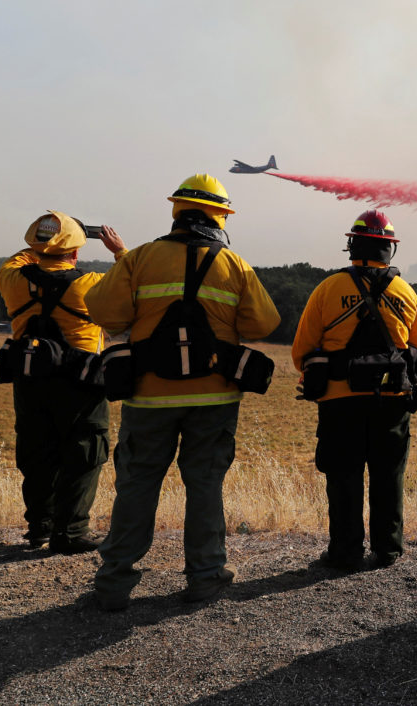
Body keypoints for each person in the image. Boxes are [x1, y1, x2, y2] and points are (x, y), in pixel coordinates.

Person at [86, 174, 280, 610]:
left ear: (176, 211)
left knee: (136, 486)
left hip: (148, 397)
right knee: (206, 485)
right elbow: (264, 324)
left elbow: (100, 310)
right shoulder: (235, 265)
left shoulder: (140, 258)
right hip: (215, 399)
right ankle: (206, 577)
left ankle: (114, 583)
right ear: (221, 216)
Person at [291, 210, 417, 571]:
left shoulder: (328, 288)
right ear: (389, 250)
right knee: (388, 475)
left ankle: (345, 553)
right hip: (392, 400)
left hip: (340, 401)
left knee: (344, 478)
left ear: (352, 244)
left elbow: (301, 351)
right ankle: (388, 551)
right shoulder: (405, 291)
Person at [0, 211, 126, 553]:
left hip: (30, 378)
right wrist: (119, 250)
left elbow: (22, 256)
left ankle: (40, 526)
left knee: (37, 451)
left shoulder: (11, 279)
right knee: (85, 451)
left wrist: (44, 240)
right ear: (76, 252)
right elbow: (133, 282)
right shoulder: (91, 283)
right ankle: (70, 533)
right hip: (80, 381)